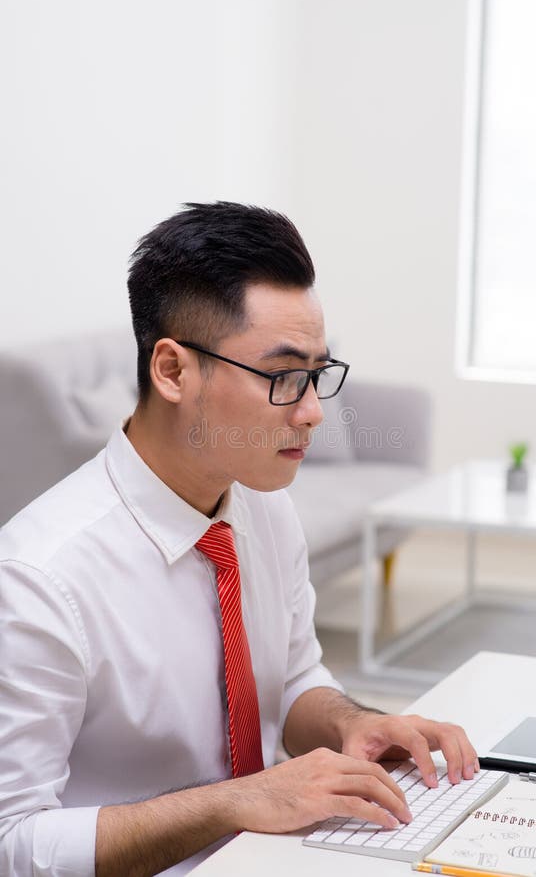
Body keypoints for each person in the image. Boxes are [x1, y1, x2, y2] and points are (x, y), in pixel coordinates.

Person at [0, 203, 478, 877]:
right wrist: (236, 801)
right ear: (172, 371)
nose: (312, 412)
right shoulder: (38, 578)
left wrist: (350, 723)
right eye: (282, 377)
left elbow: (294, 678)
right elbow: (13, 842)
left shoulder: (264, 508)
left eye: (316, 375)